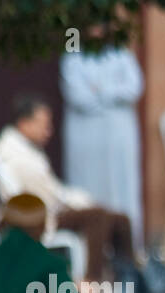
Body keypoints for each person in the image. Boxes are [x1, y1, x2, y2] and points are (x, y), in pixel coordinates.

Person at [0, 93, 135, 282]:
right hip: (39, 216)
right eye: (43, 124)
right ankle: (92, 281)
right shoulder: (12, 154)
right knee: (97, 216)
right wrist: (75, 201)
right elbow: (47, 195)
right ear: (25, 124)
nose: (48, 131)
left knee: (120, 219)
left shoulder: (28, 150)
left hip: (54, 207)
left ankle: (131, 279)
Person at [60, 45, 145, 250]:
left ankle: (127, 250)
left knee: (121, 190)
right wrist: (113, 92)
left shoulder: (122, 54)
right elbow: (79, 96)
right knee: (88, 192)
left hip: (118, 136)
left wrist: (101, 90)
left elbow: (134, 87)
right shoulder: (73, 57)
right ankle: (93, 251)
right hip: (86, 138)